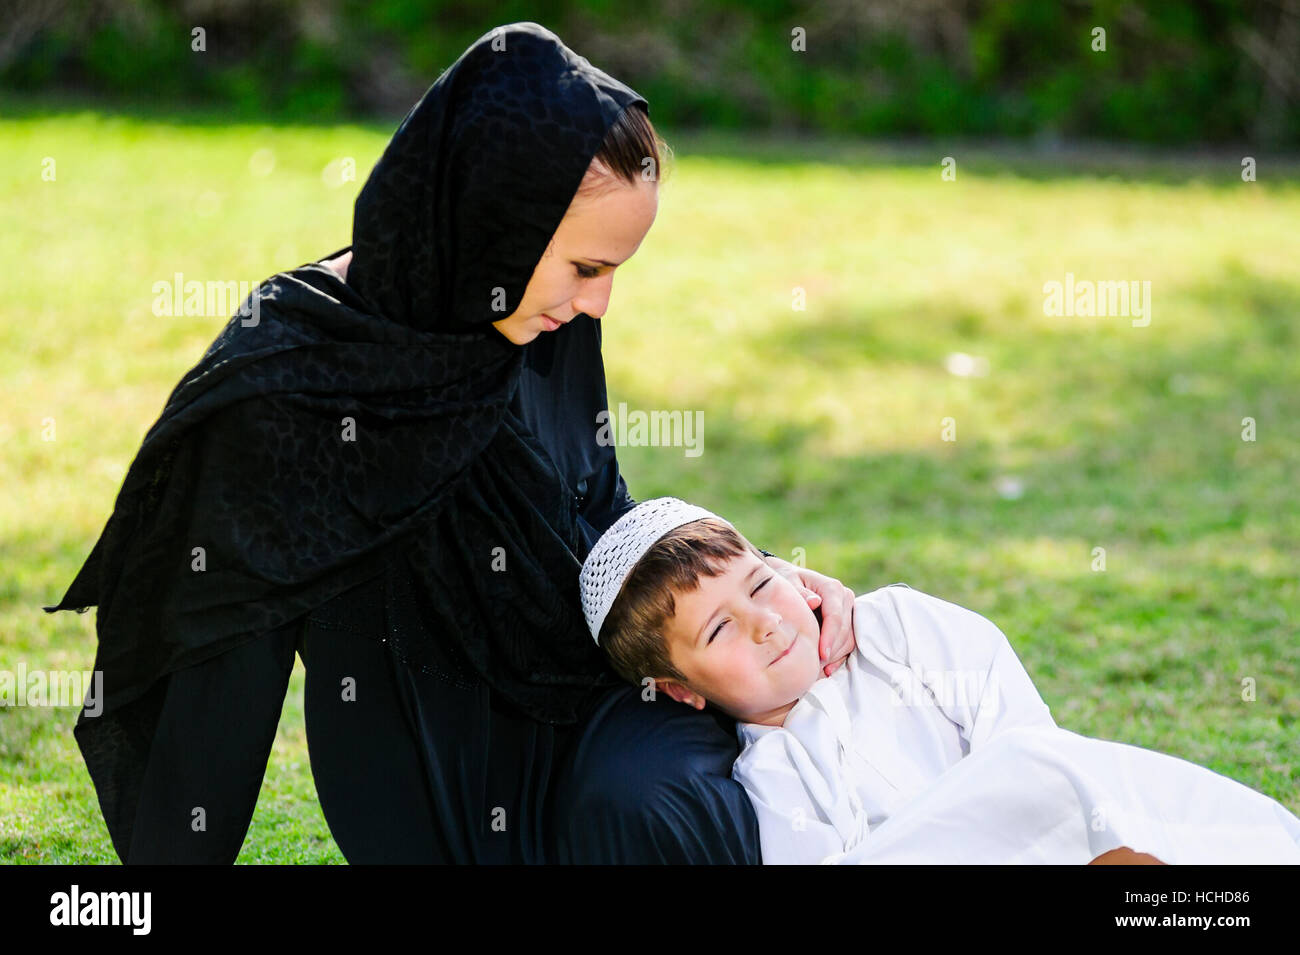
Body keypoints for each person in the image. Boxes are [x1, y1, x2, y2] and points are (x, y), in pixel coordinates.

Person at [42, 22, 856, 864]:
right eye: (587, 268)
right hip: (442, 774)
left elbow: (602, 511)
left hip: (597, 698)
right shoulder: (297, 376)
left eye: (617, 270)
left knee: (661, 804)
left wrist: (758, 577)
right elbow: (217, 658)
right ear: (494, 219)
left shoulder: (538, 316)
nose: (601, 304)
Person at [579, 497, 1300, 864]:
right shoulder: (758, 781)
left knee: (1048, 774)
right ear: (682, 689)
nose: (766, 622)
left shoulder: (897, 634)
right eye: (719, 630)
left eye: (764, 583)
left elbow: (1034, 755)